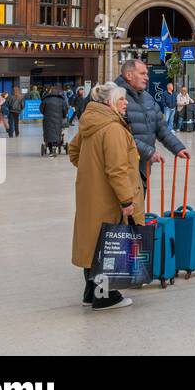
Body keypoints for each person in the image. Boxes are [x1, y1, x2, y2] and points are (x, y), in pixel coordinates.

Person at [68, 82, 142, 311]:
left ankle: (90, 292)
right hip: (110, 196)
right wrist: (127, 201)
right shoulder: (113, 129)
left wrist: (92, 172)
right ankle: (106, 296)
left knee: (92, 240)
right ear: (110, 103)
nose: (126, 103)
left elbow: (73, 151)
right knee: (109, 241)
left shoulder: (90, 123)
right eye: (122, 99)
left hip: (91, 193)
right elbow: (117, 169)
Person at [115, 58, 188, 188]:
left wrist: (178, 148)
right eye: (142, 74)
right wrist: (148, 152)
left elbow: (162, 129)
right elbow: (120, 136)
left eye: (147, 74)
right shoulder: (115, 98)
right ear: (129, 75)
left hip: (143, 167)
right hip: (122, 168)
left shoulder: (147, 98)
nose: (147, 78)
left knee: (138, 205)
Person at [41, 86, 69, 157]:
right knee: (57, 133)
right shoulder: (61, 100)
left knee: (49, 134)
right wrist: (63, 116)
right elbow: (65, 111)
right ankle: (55, 146)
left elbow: (41, 110)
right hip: (58, 120)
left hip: (47, 120)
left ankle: (50, 150)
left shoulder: (45, 100)